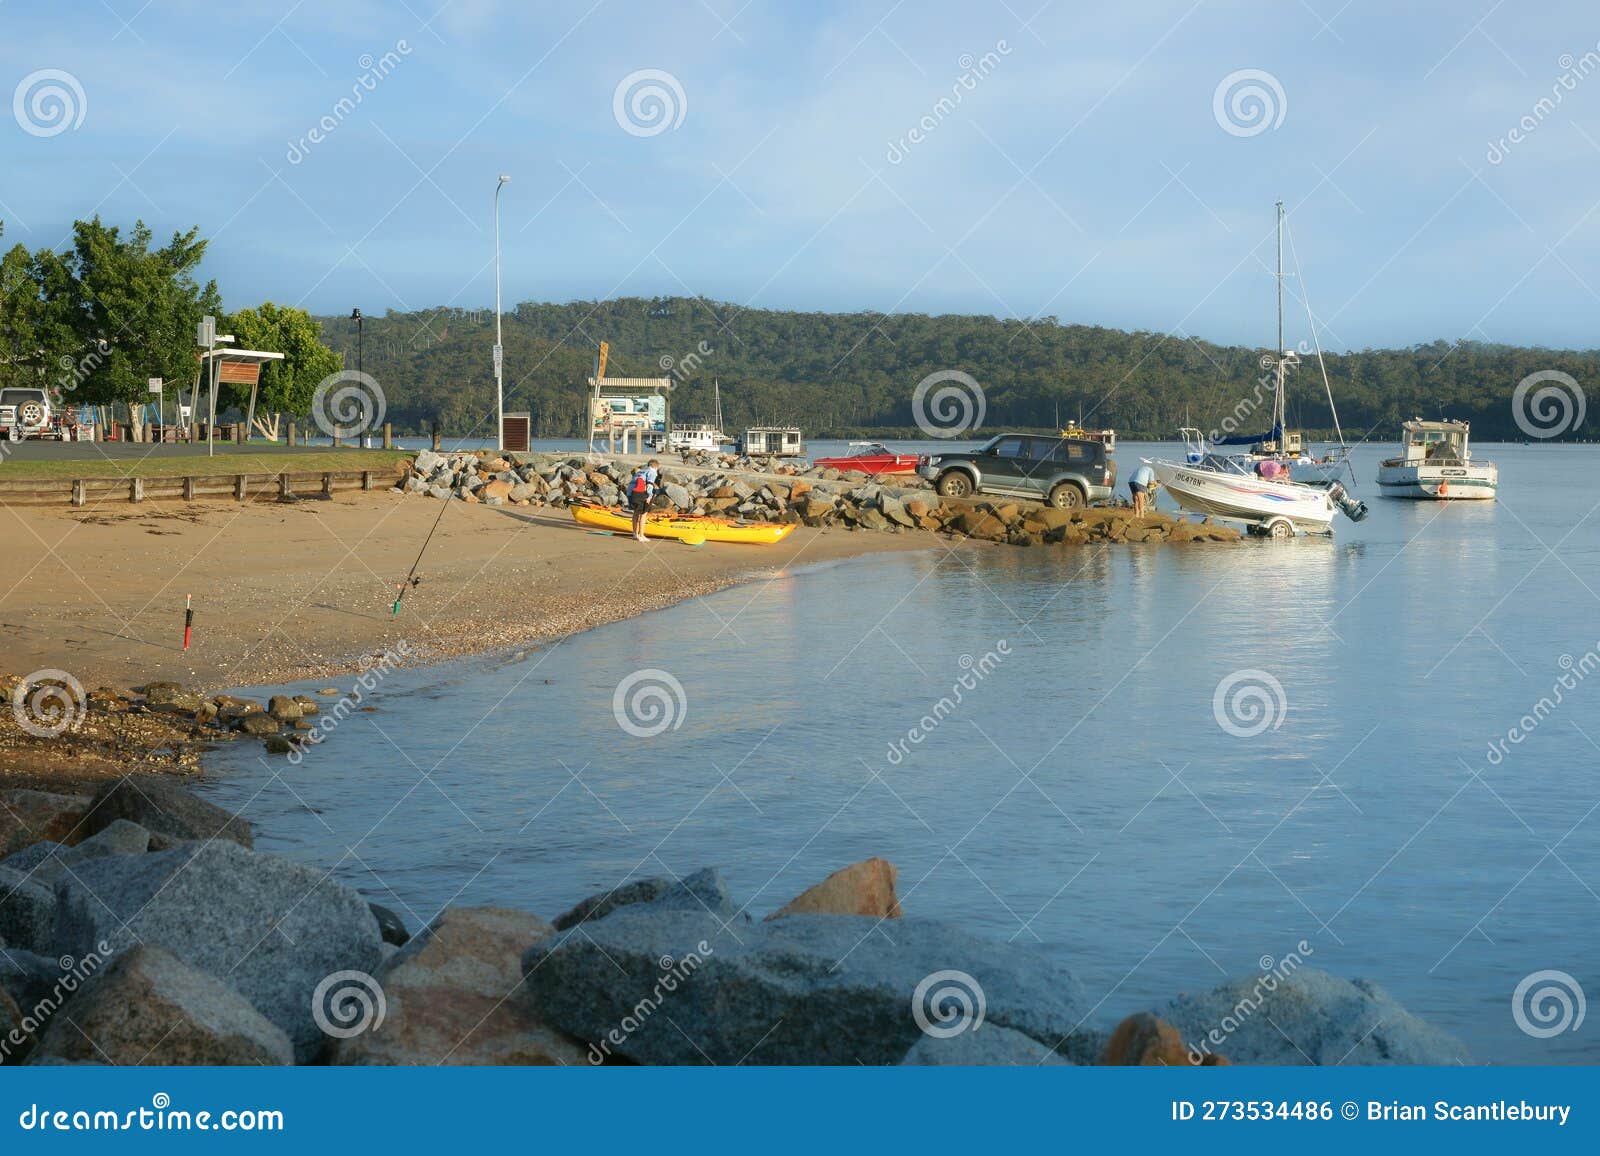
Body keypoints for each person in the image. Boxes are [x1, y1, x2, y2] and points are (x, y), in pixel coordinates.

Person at [627, 458, 660, 542]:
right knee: (644, 513)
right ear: (656, 467)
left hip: (631, 492)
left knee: (636, 512)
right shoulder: (652, 472)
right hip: (639, 493)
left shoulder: (642, 471)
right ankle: (641, 535)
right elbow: (649, 484)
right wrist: (649, 496)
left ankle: (635, 534)